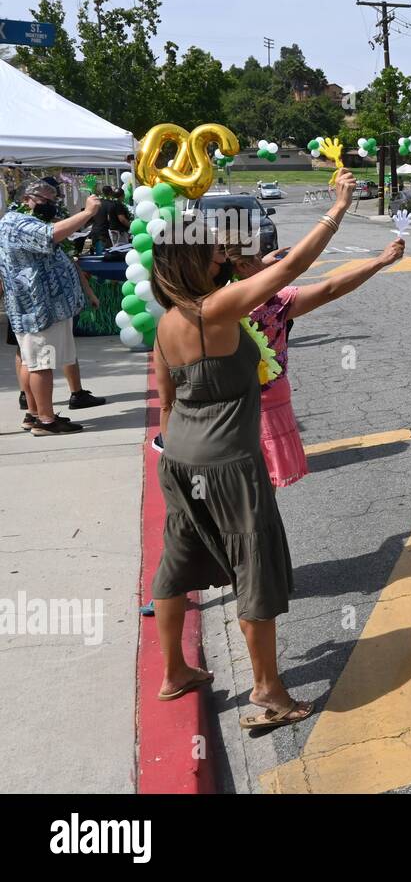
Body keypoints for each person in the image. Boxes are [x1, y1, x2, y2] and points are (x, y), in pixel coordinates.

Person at [145, 171, 357, 730]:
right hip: (228, 465)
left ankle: (174, 672)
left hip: (180, 459)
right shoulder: (215, 311)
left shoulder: (169, 322)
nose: (222, 248)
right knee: (254, 569)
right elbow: (290, 273)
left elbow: (165, 402)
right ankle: (268, 693)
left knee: (176, 564)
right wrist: (337, 208)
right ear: (194, 259)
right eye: (213, 244)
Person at [221, 232, 406, 487]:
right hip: (266, 408)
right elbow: (330, 289)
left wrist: (260, 265)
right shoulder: (271, 303)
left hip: (228, 407)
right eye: (254, 257)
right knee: (264, 488)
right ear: (241, 265)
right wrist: (380, 261)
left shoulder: (216, 300)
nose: (260, 260)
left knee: (239, 487)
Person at [0, 181, 106, 435]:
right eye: (46, 200)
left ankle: (36, 414)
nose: (51, 205)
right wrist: (88, 212)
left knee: (33, 361)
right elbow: (50, 235)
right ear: (27, 198)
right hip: (39, 309)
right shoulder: (16, 222)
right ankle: (46, 421)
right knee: (40, 363)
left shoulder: (22, 220)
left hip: (42, 308)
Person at [89, 186, 131, 255]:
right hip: (110, 231)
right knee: (117, 252)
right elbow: (117, 218)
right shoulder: (112, 204)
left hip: (97, 229)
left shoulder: (98, 203)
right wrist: (130, 226)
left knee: (100, 254)